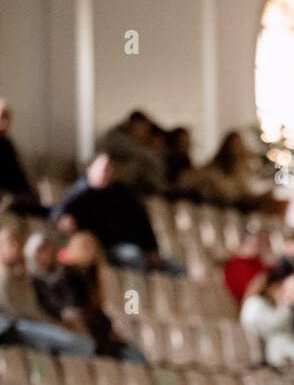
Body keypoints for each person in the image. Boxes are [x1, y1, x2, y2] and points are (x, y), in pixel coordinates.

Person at [52, 152, 181, 273]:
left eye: (110, 168)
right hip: (104, 250)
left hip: (134, 247)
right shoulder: (81, 194)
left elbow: (142, 221)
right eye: (103, 168)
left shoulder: (122, 194)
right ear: (90, 170)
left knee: (177, 269)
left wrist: (151, 248)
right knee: (132, 255)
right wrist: (63, 219)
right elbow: (59, 212)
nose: (107, 172)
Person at [0, 215, 95, 355]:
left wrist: (60, 322)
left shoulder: (23, 276)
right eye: (10, 244)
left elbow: (37, 308)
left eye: (17, 243)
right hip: (17, 326)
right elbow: (18, 312)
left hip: (35, 324)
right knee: (82, 345)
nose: (16, 248)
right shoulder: (4, 277)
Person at [55, 231, 147, 363]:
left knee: (136, 356)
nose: (91, 252)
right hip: (83, 333)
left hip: (99, 331)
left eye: (93, 247)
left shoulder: (93, 275)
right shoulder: (65, 275)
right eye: (86, 247)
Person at [240, 258, 294, 370]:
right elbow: (269, 325)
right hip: (279, 351)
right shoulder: (254, 304)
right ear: (273, 287)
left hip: (293, 345)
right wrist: (286, 305)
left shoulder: (285, 308)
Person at [0, 99, 46, 216]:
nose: (5, 123)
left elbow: (19, 176)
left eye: (7, 118)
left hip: (17, 197)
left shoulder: (7, 144)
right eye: (1, 117)